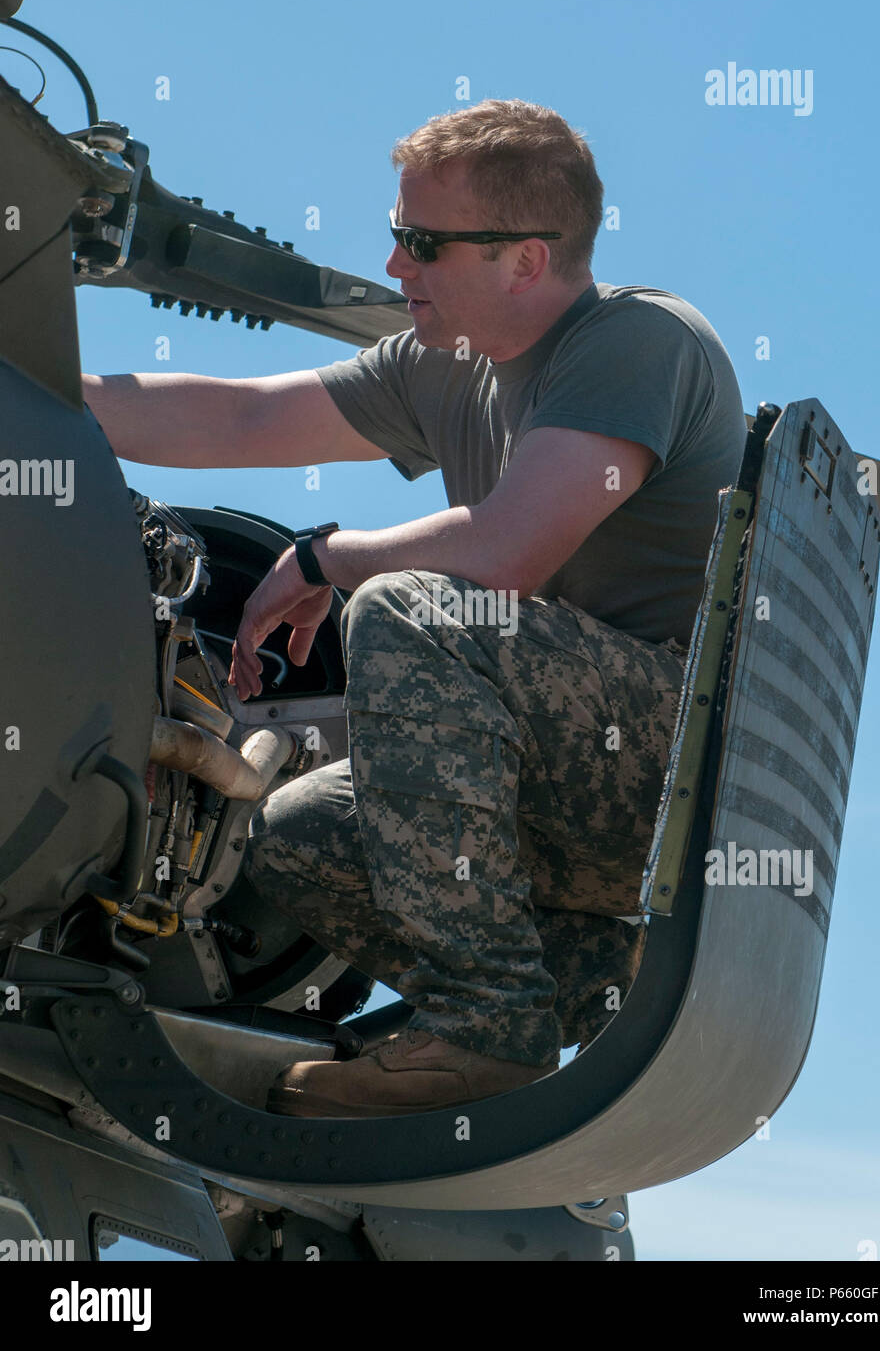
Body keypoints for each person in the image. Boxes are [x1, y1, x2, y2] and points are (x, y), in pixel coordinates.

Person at [84, 98, 747, 1119]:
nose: (395, 268)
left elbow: (501, 555)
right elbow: (243, 412)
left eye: (421, 243)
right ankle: (594, 993)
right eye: (397, 237)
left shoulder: (637, 342)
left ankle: (483, 1030)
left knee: (411, 608)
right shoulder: (446, 368)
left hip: (665, 774)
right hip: (552, 781)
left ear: (525, 260)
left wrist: (324, 557)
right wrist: (46, 387)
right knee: (296, 833)